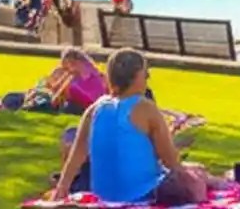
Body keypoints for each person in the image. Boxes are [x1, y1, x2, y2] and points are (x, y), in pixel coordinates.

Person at [52, 48, 208, 204]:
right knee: (197, 174)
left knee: (194, 173)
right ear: (136, 77)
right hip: (142, 194)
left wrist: (62, 188)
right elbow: (171, 162)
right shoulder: (146, 108)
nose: (147, 79)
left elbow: (77, 154)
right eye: (145, 74)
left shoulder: (94, 109)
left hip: (103, 195)